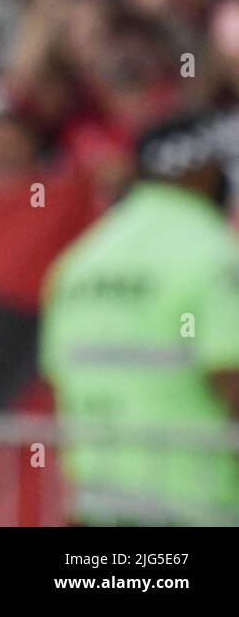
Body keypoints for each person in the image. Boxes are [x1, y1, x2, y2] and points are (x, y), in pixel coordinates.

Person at [39, 109, 239, 525]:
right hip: (198, 504)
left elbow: (59, 381)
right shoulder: (214, 252)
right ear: (202, 172)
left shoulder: (79, 262)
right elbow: (231, 378)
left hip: (98, 504)